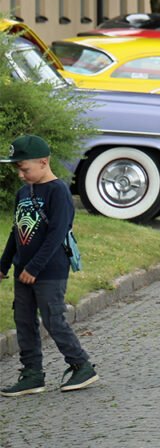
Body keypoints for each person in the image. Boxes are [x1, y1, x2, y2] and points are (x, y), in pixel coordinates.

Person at [0, 135, 97, 396]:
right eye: (17, 169)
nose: (20, 175)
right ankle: (32, 373)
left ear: (43, 162)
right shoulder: (23, 192)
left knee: (53, 319)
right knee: (23, 321)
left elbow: (57, 234)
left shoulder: (58, 191)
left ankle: (81, 365)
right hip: (23, 270)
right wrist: (4, 264)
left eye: (24, 168)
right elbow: (16, 231)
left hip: (49, 271)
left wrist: (35, 268)